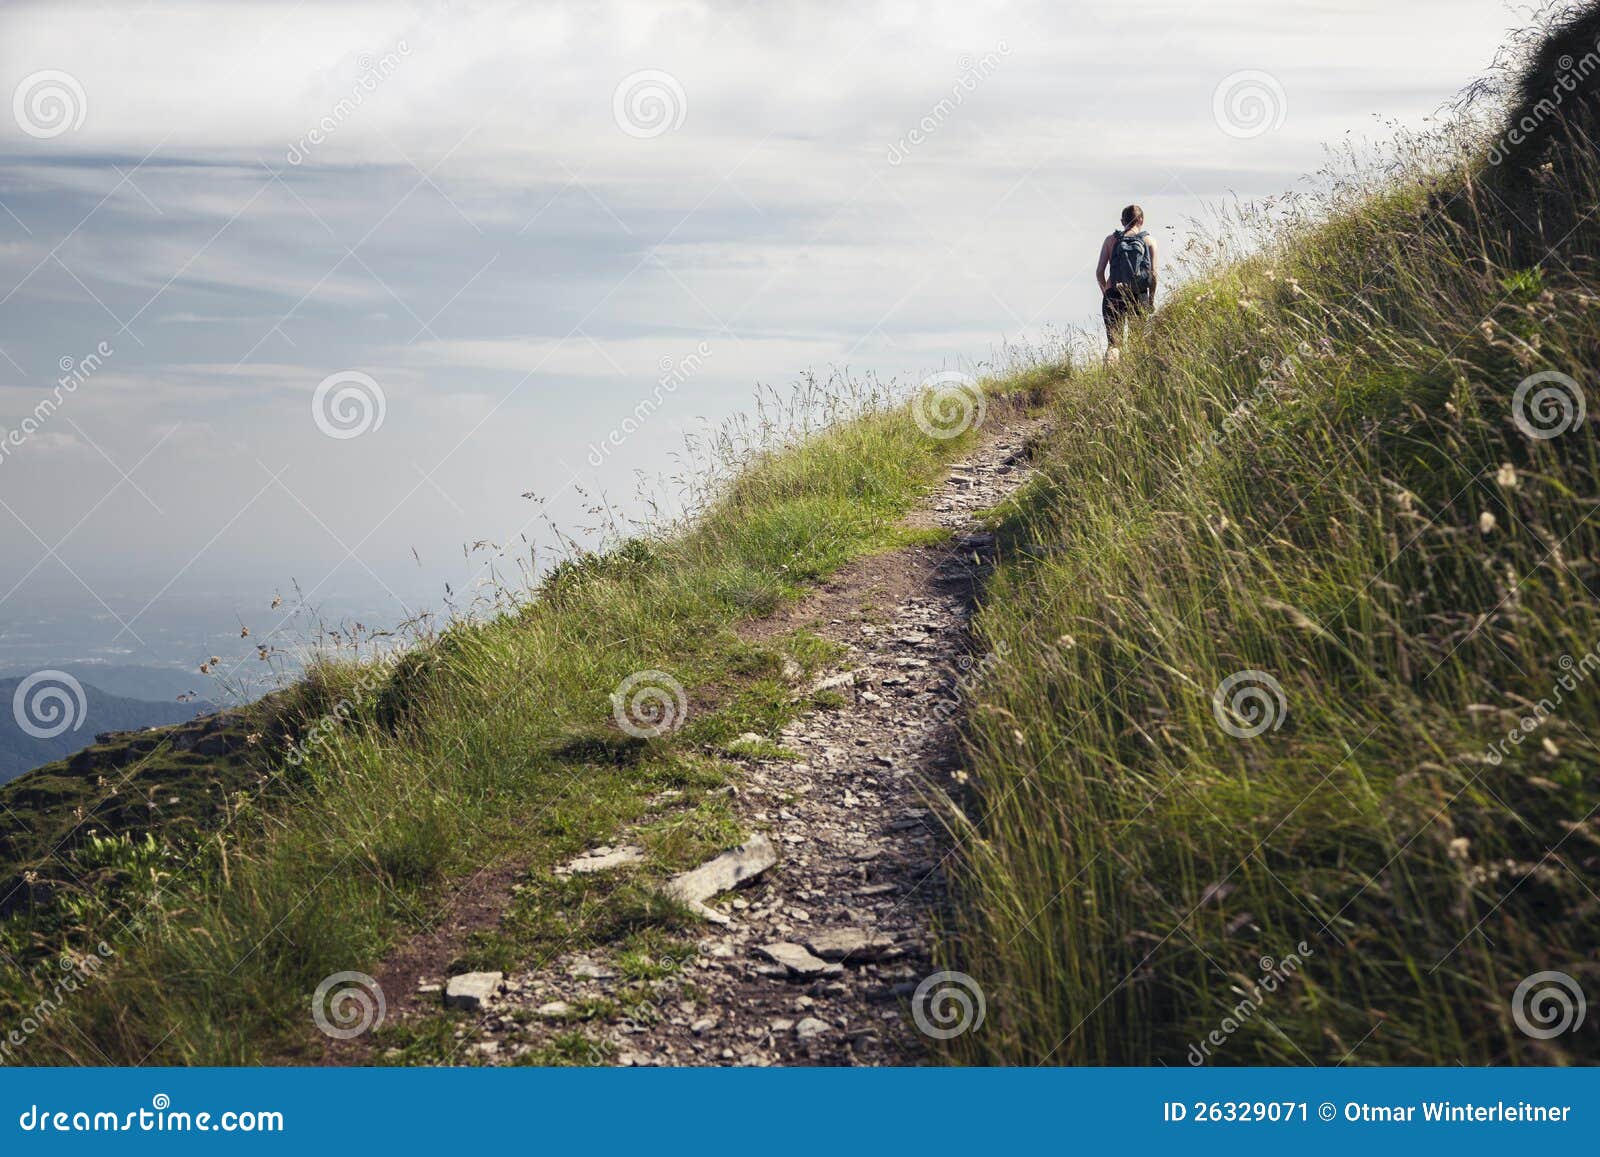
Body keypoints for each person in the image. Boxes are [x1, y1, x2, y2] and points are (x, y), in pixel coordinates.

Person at [1095, 204, 1157, 362]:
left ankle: (1109, 380)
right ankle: (1131, 380)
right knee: (1136, 342)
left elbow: (1099, 272)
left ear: (1122, 221)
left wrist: (1107, 292)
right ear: (1141, 220)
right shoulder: (1149, 241)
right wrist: (1151, 300)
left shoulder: (1111, 240)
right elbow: (1153, 274)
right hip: (1139, 295)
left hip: (1113, 294)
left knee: (1114, 344)